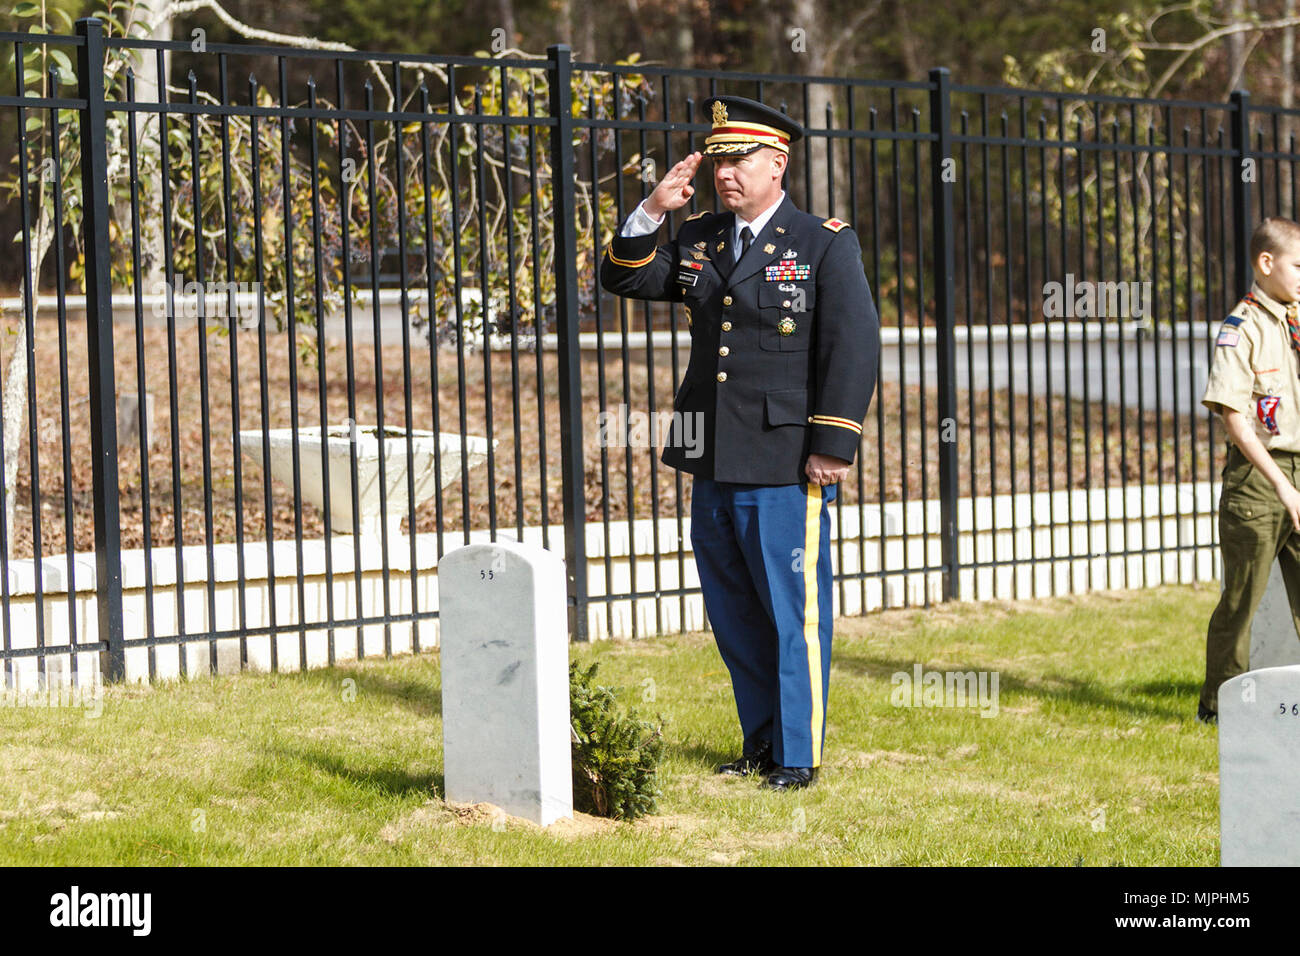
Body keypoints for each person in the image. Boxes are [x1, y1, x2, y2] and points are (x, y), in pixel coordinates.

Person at [599, 95, 880, 789]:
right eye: (719, 159)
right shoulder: (700, 237)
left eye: (741, 159)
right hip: (713, 456)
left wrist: (833, 445)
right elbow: (625, 276)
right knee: (734, 612)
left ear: (778, 164)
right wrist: (654, 211)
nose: (727, 172)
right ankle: (759, 744)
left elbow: (853, 346)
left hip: (786, 461)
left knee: (791, 614)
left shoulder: (823, 242)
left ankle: (796, 755)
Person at [1200, 216, 1300, 723]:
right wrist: (1284, 487)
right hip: (1259, 481)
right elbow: (1237, 425)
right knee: (1242, 600)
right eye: (1299, 266)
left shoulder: (1297, 322)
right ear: (1267, 263)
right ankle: (1218, 710)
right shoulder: (1241, 330)